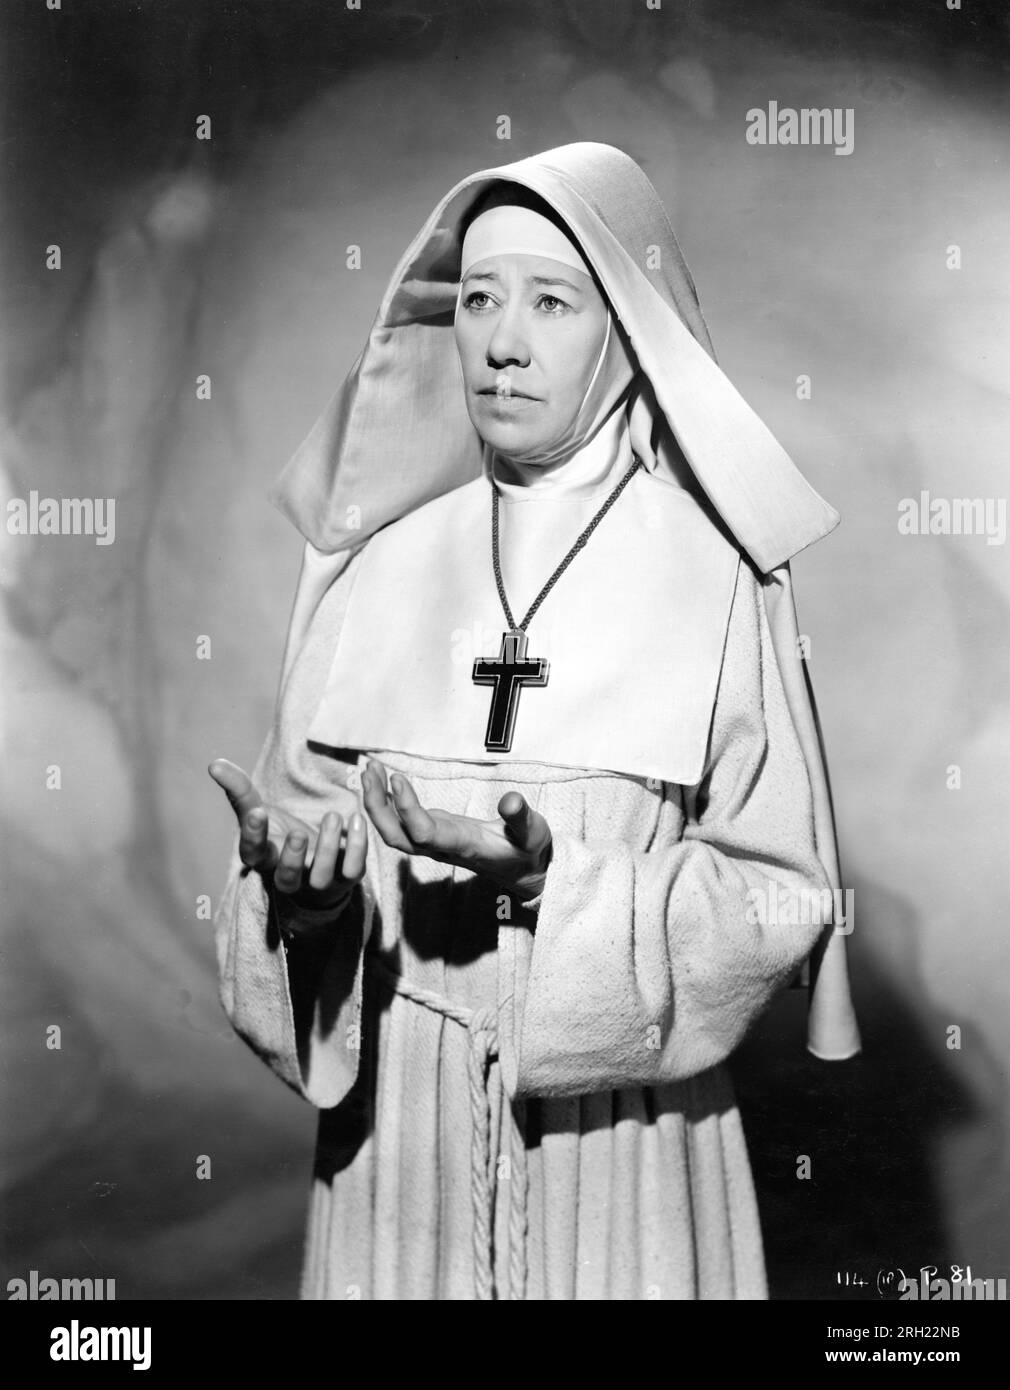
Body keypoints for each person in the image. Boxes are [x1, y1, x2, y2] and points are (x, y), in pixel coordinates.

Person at [209, 142, 860, 1301]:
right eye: (476, 298)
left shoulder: (713, 577)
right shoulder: (377, 569)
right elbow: (303, 849)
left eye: (549, 302)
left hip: (620, 1138)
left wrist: (555, 895)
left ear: (621, 334)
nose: (501, 341)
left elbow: (778, 894)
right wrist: (306, 904)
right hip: (396, 1140)